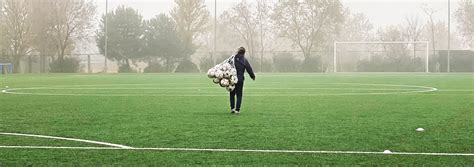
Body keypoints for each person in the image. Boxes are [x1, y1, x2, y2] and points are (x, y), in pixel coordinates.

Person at [230, 47, 255, 114]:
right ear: (244, 53)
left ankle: (232, 108)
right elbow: (249, 69)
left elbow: (227, 66)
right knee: (239, 95)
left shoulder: (232, 59)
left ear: (238, 51)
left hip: (232, 78)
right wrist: (252, 76)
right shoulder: (244, 60)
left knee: (232, 93)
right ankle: (237, 110)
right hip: (240, 79)